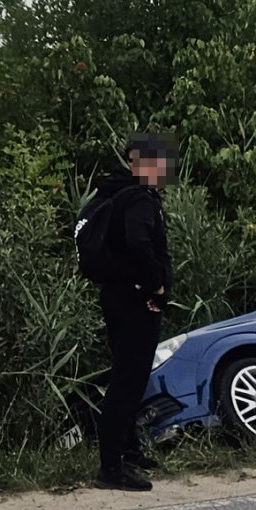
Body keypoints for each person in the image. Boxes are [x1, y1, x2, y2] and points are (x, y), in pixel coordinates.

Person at [93, 132, 174, 491]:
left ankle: (128, 448)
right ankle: (111, 469)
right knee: (128, 379)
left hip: (119, 295)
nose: (160, 168)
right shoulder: (138, 198)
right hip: (135, 299)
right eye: (154, 161)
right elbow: (139, 245)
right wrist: (155, 285)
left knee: (129, 375)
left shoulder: (117, 193)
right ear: (135, 162)